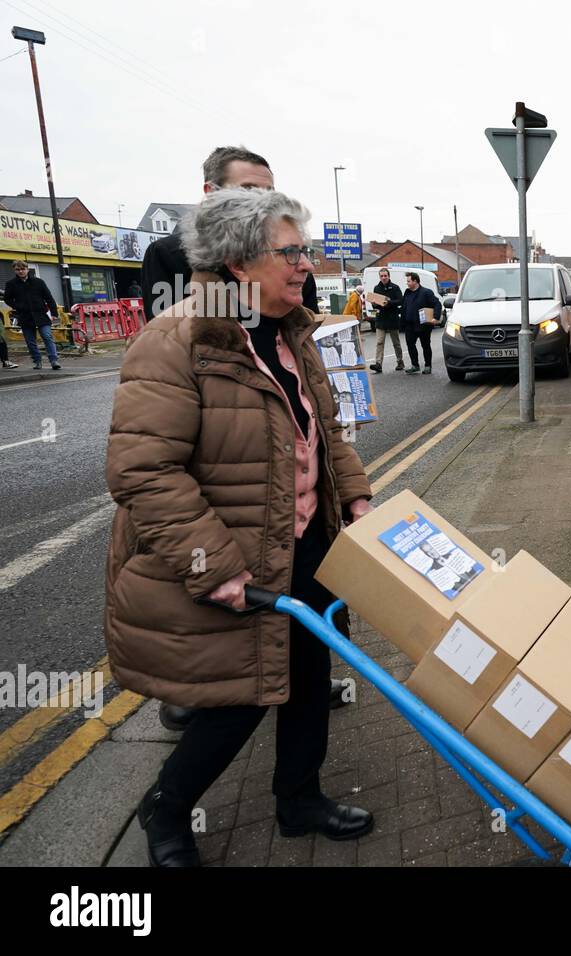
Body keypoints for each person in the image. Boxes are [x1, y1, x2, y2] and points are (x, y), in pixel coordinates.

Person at [105, 188, 375, 867]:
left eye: (304, 250)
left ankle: (299, 799)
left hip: (306, 548)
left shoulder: (291, 334)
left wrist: (359, 499)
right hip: (236, 561)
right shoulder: (175, 341)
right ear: (235, 264)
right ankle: (166, 812)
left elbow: (327, 432)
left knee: (309, 676)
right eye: (289, 253)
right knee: (237, 701)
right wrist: (214, 565)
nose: (305, 265)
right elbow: (144, 472)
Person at [141, 146, 318, 321]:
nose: (262, 201)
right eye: (248, 190)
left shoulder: (295, 263)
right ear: (211, 193)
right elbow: (164, 335)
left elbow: (308, 333)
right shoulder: (169, 255)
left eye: (269, 193)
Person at [3, 260, 61, 370]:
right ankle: (37, 361)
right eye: (17, 269)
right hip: (25, 316)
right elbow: (7, 299)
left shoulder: (38, 282)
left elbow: (49, 298)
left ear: (27, 269)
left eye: (22, 269)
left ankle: (54, 360)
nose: (20, 271)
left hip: (41, 314)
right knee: (30, 341)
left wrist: (54, 313)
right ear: (14, 270)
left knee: (47, 337)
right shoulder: (11, 284)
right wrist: (17, 306)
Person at [400, 271, 440, 375]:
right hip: (410, 325)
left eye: (408, 281)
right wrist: (402, 322)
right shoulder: (407, 292)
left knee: (425, 345)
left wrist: (435, 317)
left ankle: (428, 366)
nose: (407, 283)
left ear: (415, 281)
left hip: (423, 325)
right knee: (410, 345)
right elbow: (404, 307)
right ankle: (415, 365)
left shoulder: (426, 292)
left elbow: (437, 304)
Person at [369, 267, 404, 373]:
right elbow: (375, 303)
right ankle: (378, 364)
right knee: (379, 342)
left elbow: (400, 301)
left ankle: (400, 362)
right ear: (379, 277)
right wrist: (374, 303)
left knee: (396, 343)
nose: (383, 278)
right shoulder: (377, 288)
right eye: (382, 276)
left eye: (385, 276)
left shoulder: (395, 287)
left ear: (389, 276)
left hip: (392, 318)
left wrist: (389, 302)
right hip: (381, 319)